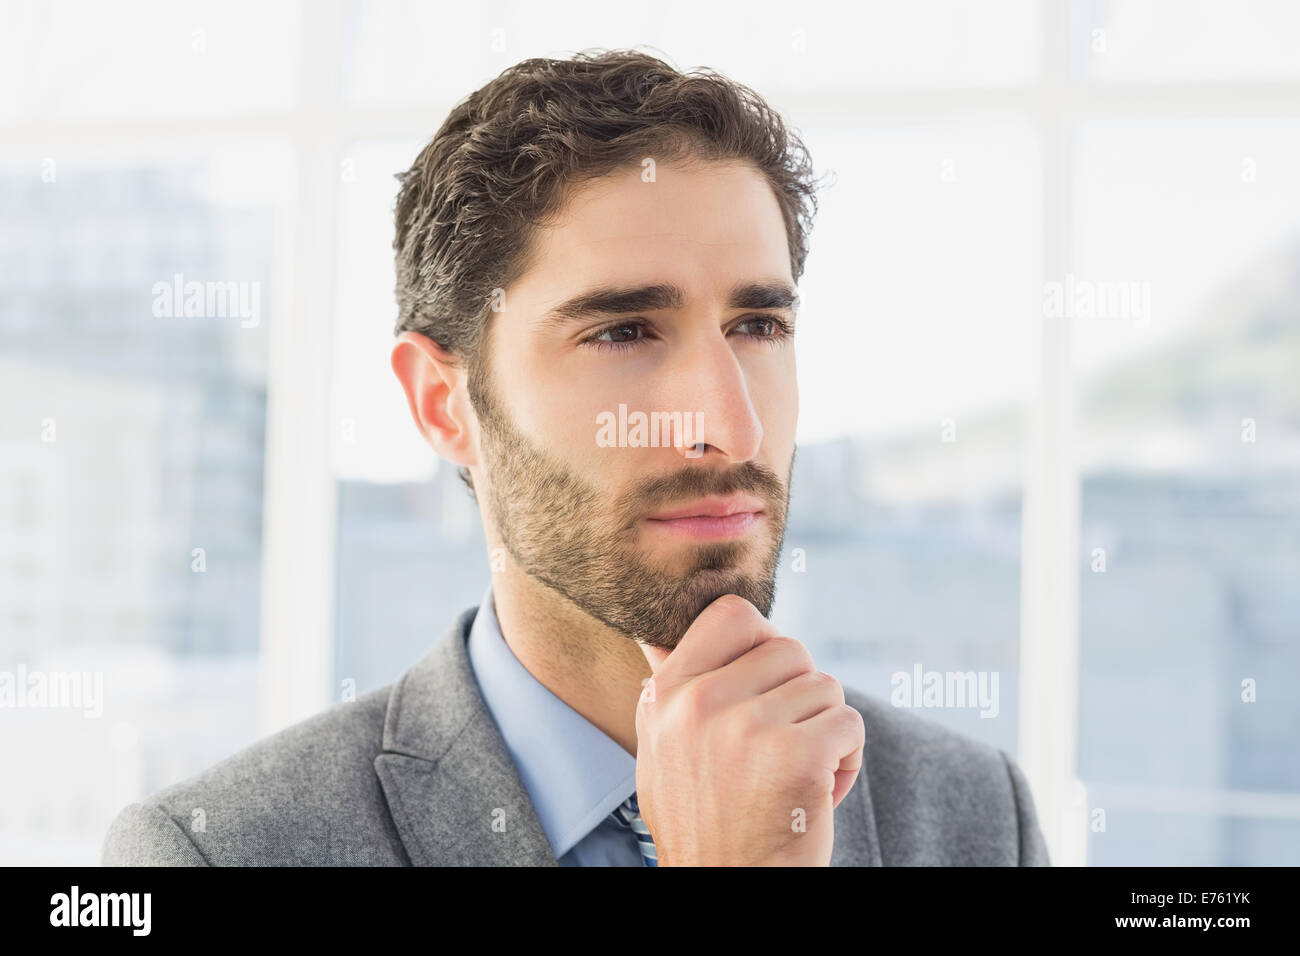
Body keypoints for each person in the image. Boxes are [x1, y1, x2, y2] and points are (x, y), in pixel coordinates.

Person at [103, 49, 1050, 867]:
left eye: (757, 324)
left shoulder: (969, 817)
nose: (731, 426)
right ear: (445, 404)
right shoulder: (218, 852)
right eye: (625, 330)